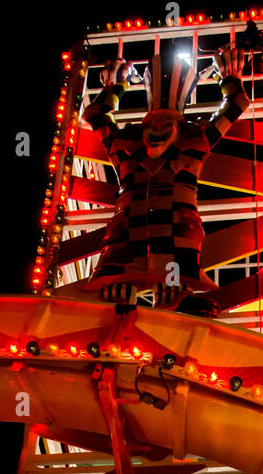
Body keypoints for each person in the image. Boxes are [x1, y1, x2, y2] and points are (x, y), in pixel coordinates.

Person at [80, 45, 249, 315]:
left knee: (171, 275)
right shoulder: (124, 144)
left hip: (173, 240)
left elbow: (237, 105)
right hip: (127, 240)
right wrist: (115, 86)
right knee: (120, 279)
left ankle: (169, 298)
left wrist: (228, 76)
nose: (157, 129)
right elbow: (95, 115)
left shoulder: (195, 140)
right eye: (153, 124)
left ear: (179, 127)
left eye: (165, 124)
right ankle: (121, 298)